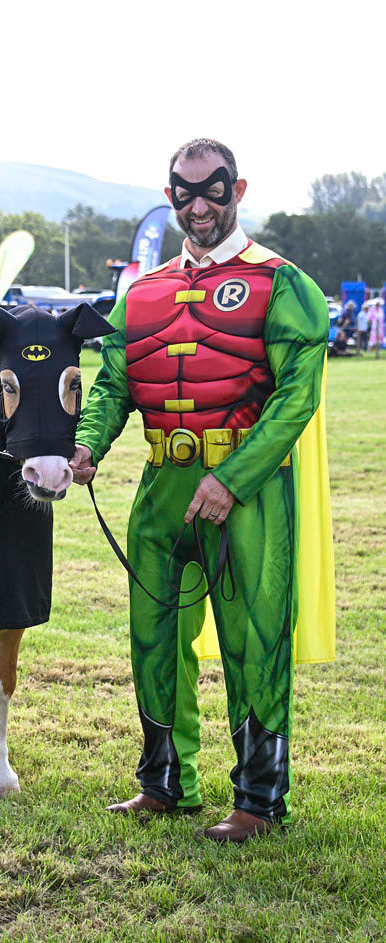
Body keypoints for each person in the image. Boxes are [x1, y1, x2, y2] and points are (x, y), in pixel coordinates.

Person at [70, 138, 331, 843]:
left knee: (255, 641)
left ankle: (257, 799)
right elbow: (112, 387)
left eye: (211, 189)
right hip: (161, 488)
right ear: (168, 197)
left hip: (246, 494)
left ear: (237, 190)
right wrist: (87, 445)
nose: (197, 205)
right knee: (152, 639)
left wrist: (233, 479)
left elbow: (294, 400)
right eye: (182, 193)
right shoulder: (142, 293)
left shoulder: (282, 284)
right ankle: (164, 783)